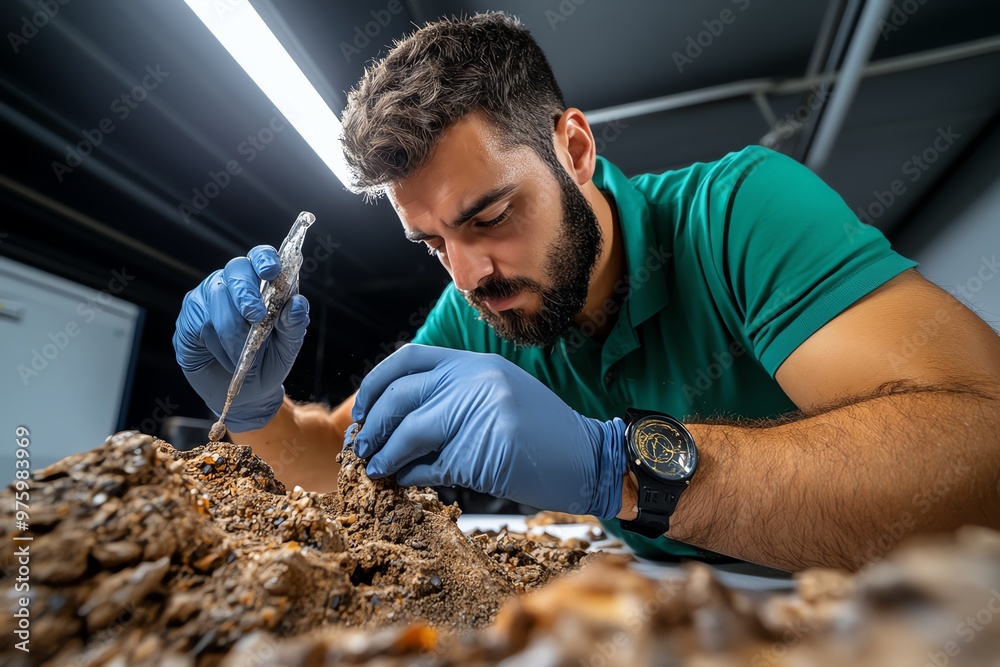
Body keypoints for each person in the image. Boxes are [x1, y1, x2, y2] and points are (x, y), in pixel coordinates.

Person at [174, 13, 1000, 572]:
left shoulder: (740, 212)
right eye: (433, 245)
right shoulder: (476, 306)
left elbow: (980, 446)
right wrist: (258, 410)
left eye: (491, 216)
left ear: (573, 149)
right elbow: (344, 459)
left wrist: (622, 469)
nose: (469, 276)